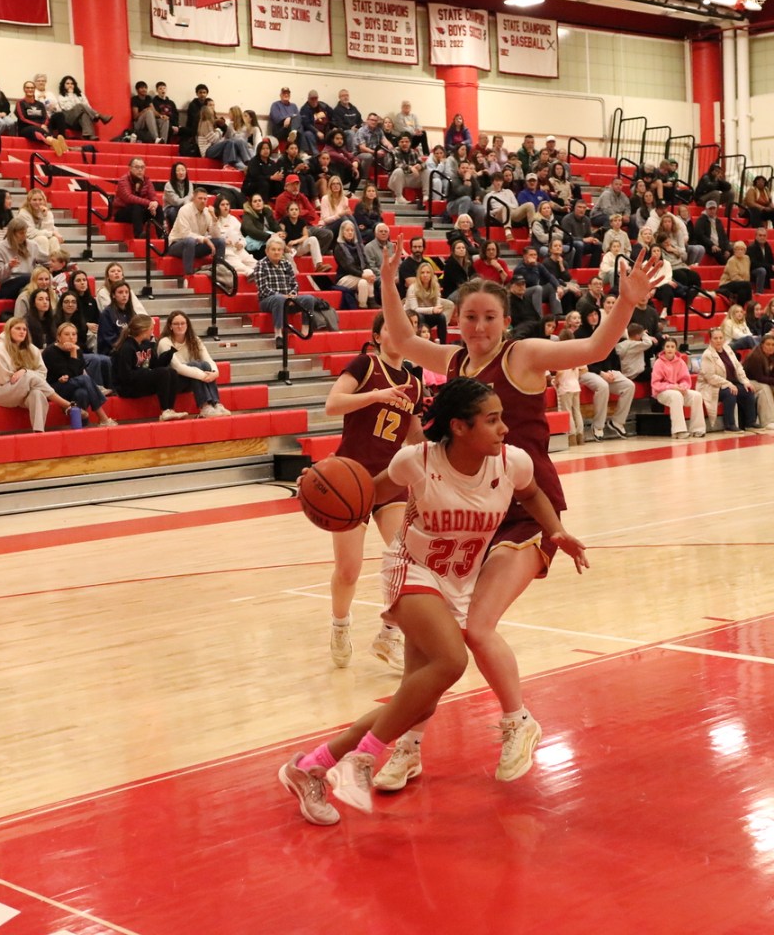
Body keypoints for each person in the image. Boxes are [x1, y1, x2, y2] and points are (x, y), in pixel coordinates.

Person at [376, 242, 663, 783]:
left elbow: (596, 347)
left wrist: (625, 303)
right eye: (469, 317)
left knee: (477, 629)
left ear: (505, 322)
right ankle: (409, 746)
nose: (478, 326)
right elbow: (406, 339)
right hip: (466, 513)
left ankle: (518, 720)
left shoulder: (522, 356)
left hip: (525, 508)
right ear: (456, 319)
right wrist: (390, 283)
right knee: (425, 646)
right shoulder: (456, 360)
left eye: (489, 318)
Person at [281, 377, 588, 823]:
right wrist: (319, 484)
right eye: (493, 420)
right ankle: (362, 761)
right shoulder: (417, 460)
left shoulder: (513, 463)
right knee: (451, 661)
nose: (504, 428)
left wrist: (555, 530)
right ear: (460, 427)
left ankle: (310, 767)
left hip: (456, 583)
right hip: (411, 569)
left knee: (417, 701)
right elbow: (365, 493)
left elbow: (533, 494)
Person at [319, 313, 427, 670]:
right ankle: (340, 625)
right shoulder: (366, 364)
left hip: (390, 480)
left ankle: (389, 635)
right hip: (350, 479)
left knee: (406, 559)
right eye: (392, 329)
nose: (399, 334)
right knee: (348, 570)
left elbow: (414, 437)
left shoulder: (414, 382)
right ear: (378, 336)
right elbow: (332, 404)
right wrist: (376, 395)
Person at [0, 317, 73, 431]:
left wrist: (24, 372)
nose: (22, 332)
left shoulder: (32, 349)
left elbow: (42, 374)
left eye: (24, 329)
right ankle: (66, 405)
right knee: (29, 376)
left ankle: (38, 432)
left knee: (37, 393)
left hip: (22, 392)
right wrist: (26, 376)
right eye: (18, 328)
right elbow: (3, 379)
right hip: (0, 391)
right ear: (9, 330)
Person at [112, 314, 190, 421]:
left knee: (171, 372)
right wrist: (146, 372)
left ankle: (170, 409)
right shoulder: (127, 347)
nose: (152, 332)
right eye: (151, 329)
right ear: (143, 330)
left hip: (140, 381)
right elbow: (125, 376)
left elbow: (155, 365)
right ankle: (164, 411)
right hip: (128, 388)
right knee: (163, 372)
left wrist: (170, 352)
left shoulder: (147, 344)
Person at [158, 311, 231, 417]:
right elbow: (177, 367)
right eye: (176, 324)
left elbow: (208, 359)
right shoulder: (164, 342)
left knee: (204, 364)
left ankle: (216, 404)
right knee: (195, 365)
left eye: (183, 323)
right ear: (170, 326)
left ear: (187, 325)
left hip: (192, 379)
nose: (180, 326)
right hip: (174, 382)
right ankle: (205, 406)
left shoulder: (194, 340)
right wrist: (204, 376)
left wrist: (215, 373)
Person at [42, 322, 114, 426]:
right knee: (84, 379)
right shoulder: (50, 352)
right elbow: (68, 374)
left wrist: (73, 351)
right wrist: (73, 352)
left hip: (72, 385)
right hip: (54, 389)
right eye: (66, 334)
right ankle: (103, 417)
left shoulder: (76, 349)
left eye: (74, 334)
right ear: (59, 337)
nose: (71, 337)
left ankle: (81, 426)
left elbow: (77, 373)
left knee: (82, 393)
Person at [256, 237, 322, 349]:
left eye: (279, 249)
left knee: (309, 298)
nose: (276, 252)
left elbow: (294, 284)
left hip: (288, 299)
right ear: (267, 251)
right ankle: (278, 335)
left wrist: (292, 295)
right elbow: (264, 289)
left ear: (282, 251)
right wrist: (283, 297)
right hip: (268, 301)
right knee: (278, 299)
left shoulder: (286, 264)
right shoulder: (261, 265)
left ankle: (305, 329)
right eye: (273, 249)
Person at [698, 326, 758, 432]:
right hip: (712, 386)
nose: (718, 340)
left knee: (747, 390)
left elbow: (738, 367)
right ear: (710, 340)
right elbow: (710, 377)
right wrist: (727, 384)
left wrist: (746, 382)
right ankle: (729, 425)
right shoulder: (707, 355)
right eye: (715, 338)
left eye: (720, 338)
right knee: (729, 393)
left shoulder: (728, 349)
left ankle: (750, 423)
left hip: (730, 383)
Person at [167, 187, 225, 276]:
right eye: (200, 198)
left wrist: (214, 219)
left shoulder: (207, 212)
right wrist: (205, 239)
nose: (203, 201)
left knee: (220, 242)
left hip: (196, 246)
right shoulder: (184, 210)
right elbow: (185, 234)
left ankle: (218, 272)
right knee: (190, 240)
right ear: (194, 199)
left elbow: (216, 235)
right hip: (177, 245)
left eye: (205, 199)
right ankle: (189, 275)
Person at [744, 333, 774, 430]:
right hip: (749, 382)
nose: (771, 347)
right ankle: (767, 421)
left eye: (773, 345)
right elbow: (759, 378)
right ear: (762, 345)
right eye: (768, 344)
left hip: (762, 380)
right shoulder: (755, 357)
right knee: (764, 387)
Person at [0, 217, 45, 303]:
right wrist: (9, 266)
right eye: (21, 233)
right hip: (9, 283)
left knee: (27, 291)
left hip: (30, 282)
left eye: (25, 232)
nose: (25, 236)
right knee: (29, 278)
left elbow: (47, 260)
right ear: (12, 234)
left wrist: (59, 261)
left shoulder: (32, 245)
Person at [113, 157, 164, 239]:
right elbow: (128, 198)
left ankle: (161, 235)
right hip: (123, 212)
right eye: (137, 167)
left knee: (158, 208)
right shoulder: (123, 180)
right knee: (136, 206)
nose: (140, 170)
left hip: (139, 212)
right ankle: (139, 234)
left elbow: (153, 196)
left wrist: (155, 203)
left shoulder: (147, 180)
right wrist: (149, 203)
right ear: (130, 168)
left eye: (142, 167)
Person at [404, 261, 451, 344]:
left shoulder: (435, 286)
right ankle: (421, 344)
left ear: (431, 275)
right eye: (422, 273)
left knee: (441, 317)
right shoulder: (413, 288)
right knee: (420, 316)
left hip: (426, 315)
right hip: (411, 317)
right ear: (419, 275)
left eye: (428, 272)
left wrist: (437, 309)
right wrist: (432, 310)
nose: (425, 275)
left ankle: (443, 345)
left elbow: (438, 305)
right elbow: (414, 309)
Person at [332, 220, 372, 311]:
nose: (350, 232)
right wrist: (362, 275)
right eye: (347, 230)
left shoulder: (358, 245)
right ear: (342, 232)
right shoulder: (339, 247)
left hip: (358, 275)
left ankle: (363, 306)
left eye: (352, 230)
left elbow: (366, 262)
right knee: (364, 280)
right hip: (344, 277)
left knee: (366, 276)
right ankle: (368, 302)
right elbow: (347, 267)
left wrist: (368, 272)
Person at [21, 189, 66, 259]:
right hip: (26, 239)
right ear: (29, 201)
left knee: (54, 240)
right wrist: (52, 233)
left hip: (42, 237)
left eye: (40, 199)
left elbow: (48, 230)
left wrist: (45, 216)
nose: (37, 202)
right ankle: (43, 264)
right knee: (42, 239)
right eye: (34, 200)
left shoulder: (47, 212)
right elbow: (30, 233)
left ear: (44, 201)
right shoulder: (24, 212)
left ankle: (57, 265)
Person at [13, 80, 56, 150]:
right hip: (26, 128)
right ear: (24, 89)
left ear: (34, 89)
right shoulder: (20, 103)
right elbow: (22, 118)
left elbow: (46, 117)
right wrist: (40, 126)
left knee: (48, 126)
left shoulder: (40, 104)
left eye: (32, 88)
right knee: (34, 129)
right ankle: (52, 141)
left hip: (42, 128)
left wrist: (44, 125)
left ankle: (53, 143)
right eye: (27, 88)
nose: (30, 89)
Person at [747, 227, 774, 293]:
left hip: (767, 269)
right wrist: (771, 267)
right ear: (756, 236)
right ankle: (759, 292)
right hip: (753, 271)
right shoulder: (751, 247)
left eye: (764, 235)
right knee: (762, 270)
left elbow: (772, 260)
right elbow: (754, 264)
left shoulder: (767, 246)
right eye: (760, 235)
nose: (762, 237)